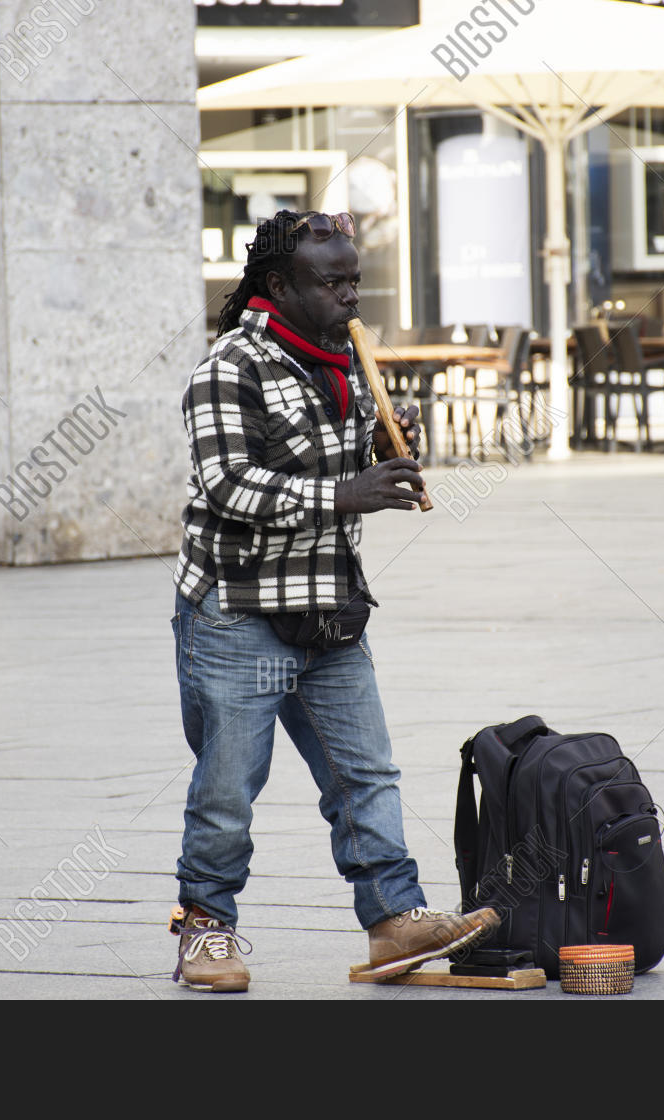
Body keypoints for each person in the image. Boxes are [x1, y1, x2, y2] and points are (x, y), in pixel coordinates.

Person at [169, 209, 497, 992]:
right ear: (278, 286)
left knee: (366, 776)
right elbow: (229, 485)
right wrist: (349, 490)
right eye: (332, 282)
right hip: (239, 610)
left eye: (355, 279)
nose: (350, 296)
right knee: (228, 787)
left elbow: (329, 460)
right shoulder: (231, 366)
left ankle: (394, 920)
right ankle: (204, 928)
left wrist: (385, 438)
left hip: (329, 605)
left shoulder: (341, 357)